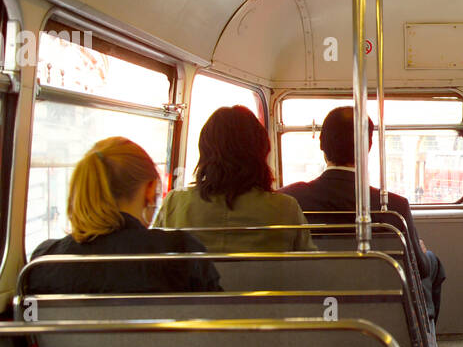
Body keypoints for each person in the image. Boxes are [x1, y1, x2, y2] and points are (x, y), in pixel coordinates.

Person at [281, 106, 446, 323]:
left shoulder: (290, 199)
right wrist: (422, 254)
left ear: (322, 144)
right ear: (367, 147)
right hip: (376, 298)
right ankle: (425, 344)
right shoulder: (394, 206)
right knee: (431, 263)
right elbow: (420, 268)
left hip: (315, 296)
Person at [28, 137, 220, 294]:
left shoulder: (44, 260)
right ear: (150, 190)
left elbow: (30, 321)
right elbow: (220, 325)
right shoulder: (181, 253)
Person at [153, 106, 313, 252]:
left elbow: (155, 257)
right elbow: (309, 265)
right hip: (264, 285)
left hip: (192, 285)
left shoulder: (174, 202)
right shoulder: (285, 208)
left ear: (205, 151)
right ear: (261, 151)